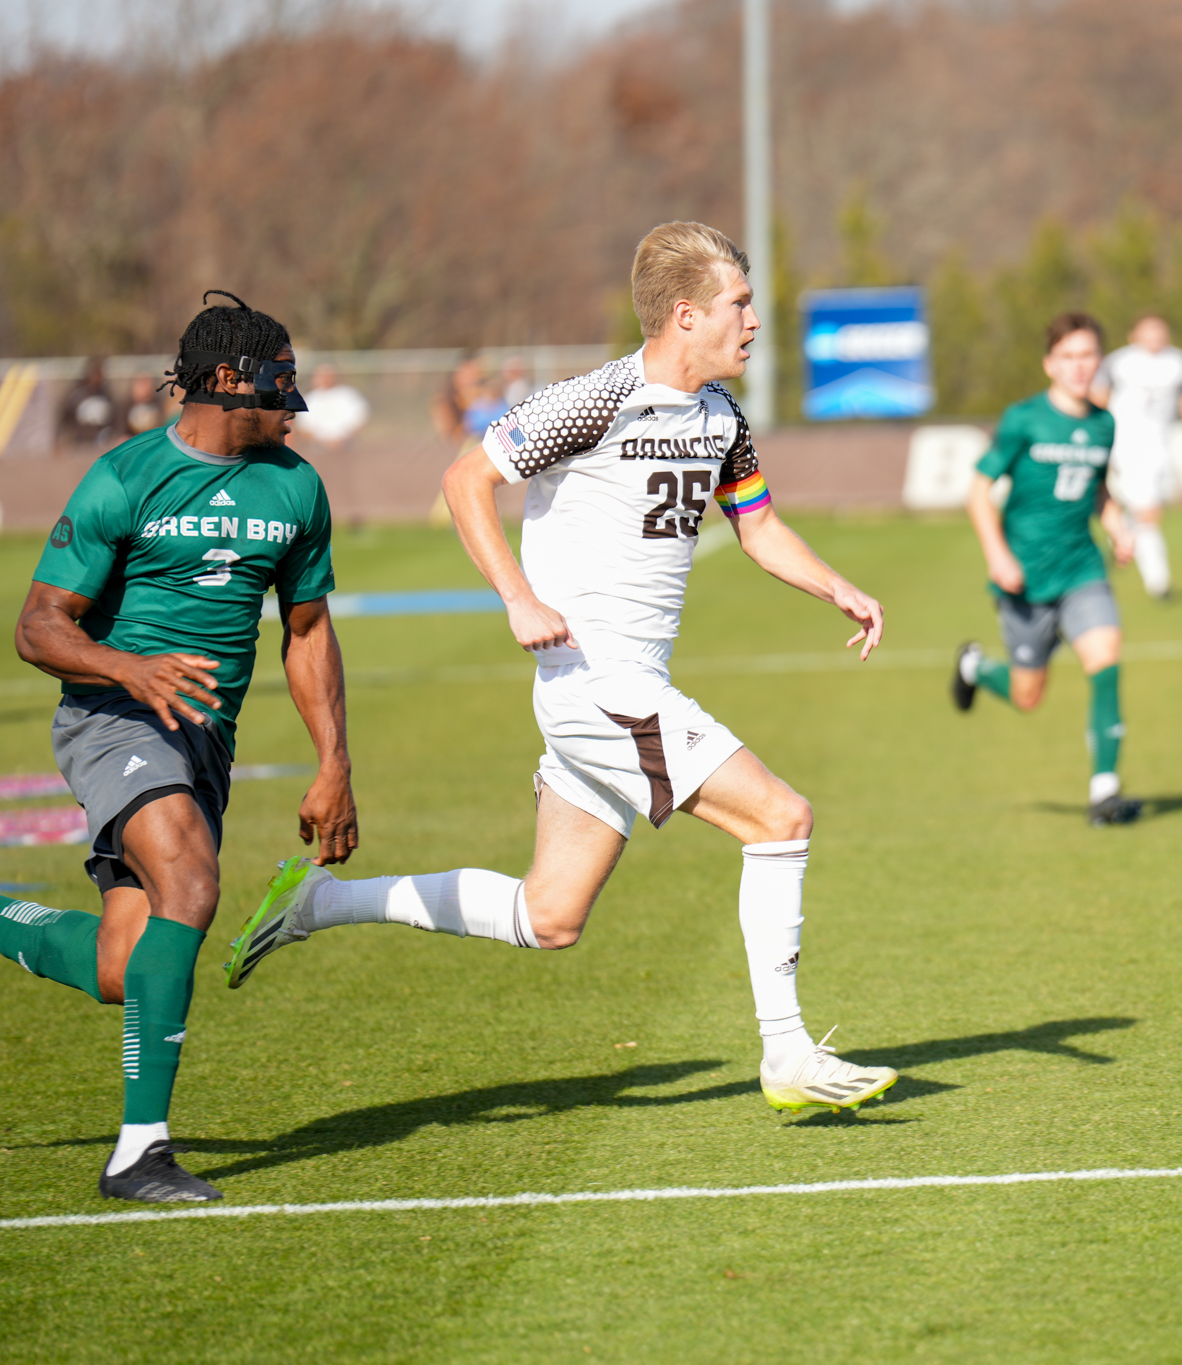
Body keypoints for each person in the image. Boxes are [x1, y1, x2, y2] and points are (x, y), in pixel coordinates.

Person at [222, 222, 900, 1117]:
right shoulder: (595, 400)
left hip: (613, 691)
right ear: (686, 314)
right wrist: (517, 596)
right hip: (600, 686)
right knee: (781, 818)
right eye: (739, 304)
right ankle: (786, 1051)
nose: (753, 321)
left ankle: (317, 904)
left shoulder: (722, 417)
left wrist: (837, 586)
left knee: (549, 915)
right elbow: (465, 479)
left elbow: (759, 525)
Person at [4, 291, 356, 1204]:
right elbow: (38, 626)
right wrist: (130, 668)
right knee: (193, 884)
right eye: (280, 378)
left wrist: (334, 763)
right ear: (229, 379)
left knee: (125, 966)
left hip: (206, 738)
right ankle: (140, 1152)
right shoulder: (124, 477)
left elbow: (308, 631)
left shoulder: (297, 486)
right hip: (113, 717)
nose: (294, 398)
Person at [951, 312, 1140, 827]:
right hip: (1025, 579)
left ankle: (1105, 790)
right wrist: (998, 555)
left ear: (1099, 361)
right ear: (1050, 364)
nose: (1080, 366)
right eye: (1069, 357)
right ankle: (974, 668)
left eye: (1088, 355)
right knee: (1027, 696)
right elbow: (978, 492)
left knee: (1106, 658)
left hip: (1082, 570)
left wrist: (1118, 527)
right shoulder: (1023, 420)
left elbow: (1098, 489)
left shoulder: (1104, 424)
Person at [1090, 313, 1182, 600]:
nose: (1155, 337)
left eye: (1159, 331)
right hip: (1126, 443)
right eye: (1148, 331)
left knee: (1140, 509)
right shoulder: (1120, 361)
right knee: (1148, 513)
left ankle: (1120, 539)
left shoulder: (1178, 361)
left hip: (1161, 445)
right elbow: (1098, 395)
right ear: (1134, 335)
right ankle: (1158, 582)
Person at [299, 363, 372, 454]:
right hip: (319, 449)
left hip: (348, 446)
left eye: (328, 375)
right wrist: (324, 443)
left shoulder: (349, 394)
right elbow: (304, 428)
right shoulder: (310, 399)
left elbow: (361, 419)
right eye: (321, 376)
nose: (325, 379)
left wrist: (343, 440)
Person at [57, 359, 118, 451]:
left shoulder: (106, 396)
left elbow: (114, 420)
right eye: (95, 374)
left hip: (100, 444)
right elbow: (64, 418)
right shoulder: (78, 395)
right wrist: (59, 438)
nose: (97, 378)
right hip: (80, 443)